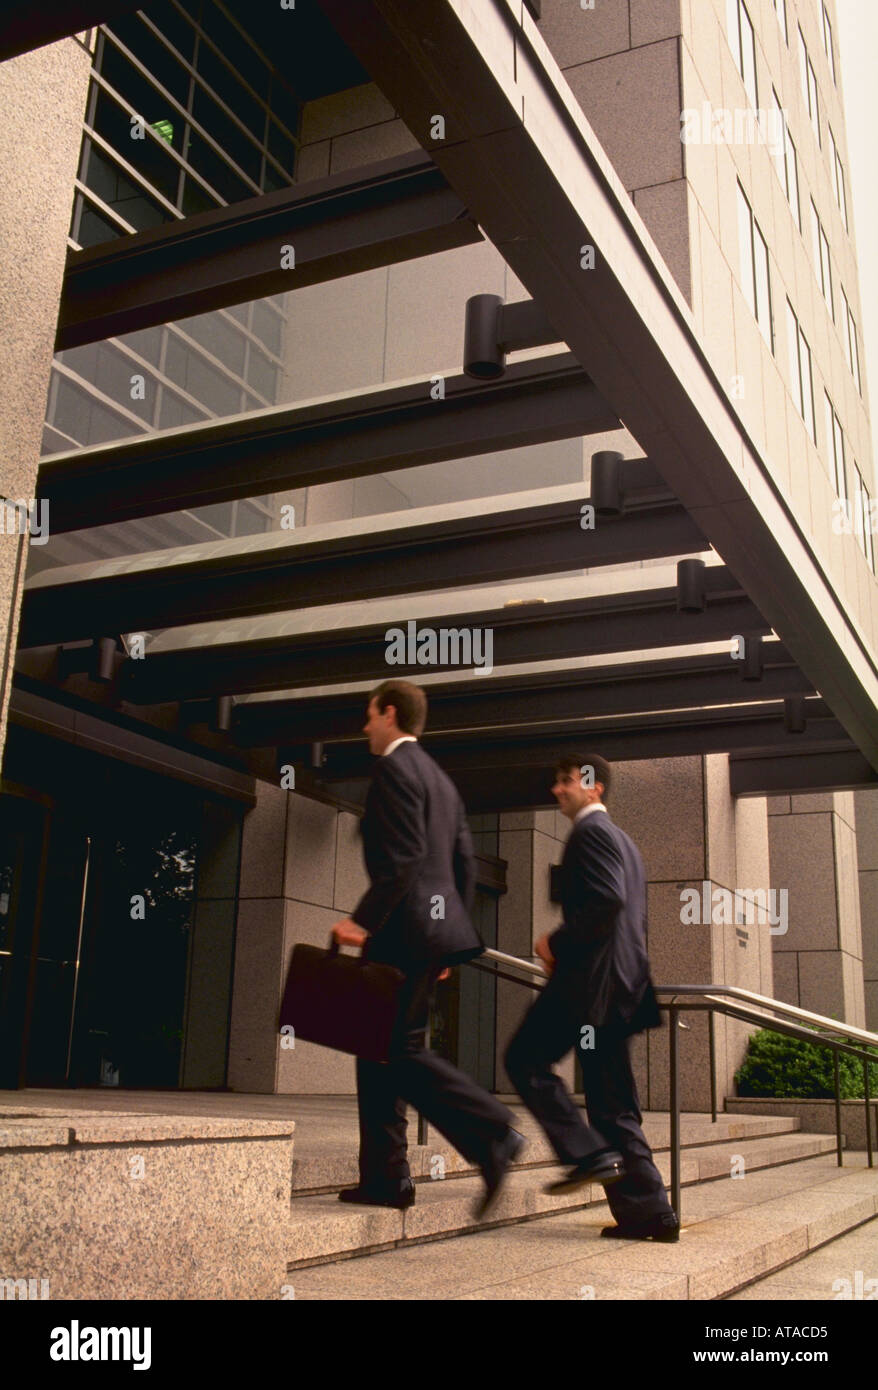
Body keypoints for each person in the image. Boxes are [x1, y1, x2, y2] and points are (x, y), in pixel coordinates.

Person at [330, 679, 524, 1219]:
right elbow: (464, 863)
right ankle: (386, 1177)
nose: (365, 726)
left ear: (389, 713)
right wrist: (446, 942)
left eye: (369, 715)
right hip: (427, 935)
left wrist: (360, 921)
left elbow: (405, 860)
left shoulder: (393, 770)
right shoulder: (440, 779)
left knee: (400, 1051)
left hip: (400, 931)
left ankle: (494, 1133)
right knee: (377, 1052)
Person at [504, 752, 680, 1242]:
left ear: (594, 786)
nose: (557, 789)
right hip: (621, 987)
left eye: (566, 781)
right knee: (613, 1105)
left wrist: (552, 942)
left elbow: (607, 902)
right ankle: (651, 1213)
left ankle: (587, 1153)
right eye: (556, 780)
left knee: (525, 1059)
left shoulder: (591, 833)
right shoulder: (625, 842)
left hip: (589, 986)